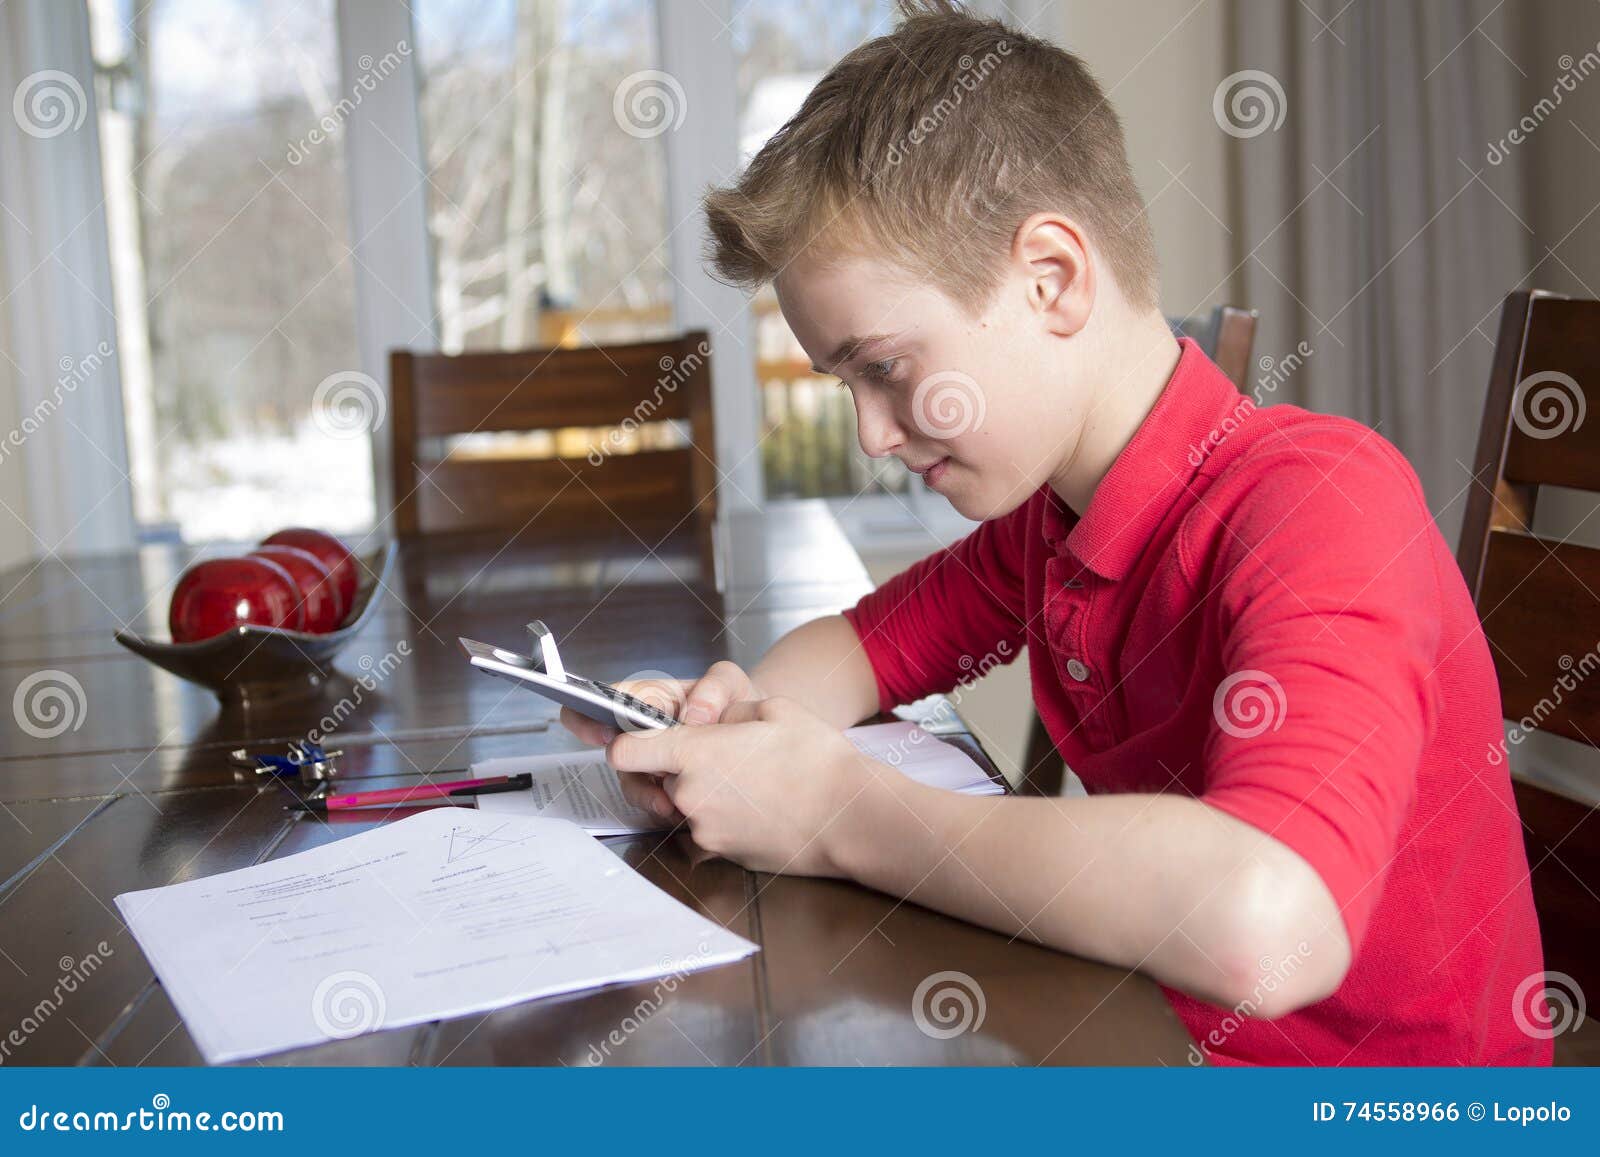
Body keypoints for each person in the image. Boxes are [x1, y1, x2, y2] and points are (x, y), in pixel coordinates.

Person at [561, 0, 1547, 1065]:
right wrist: (729, 732)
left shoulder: (1321, 499)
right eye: (845, 383)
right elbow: (854, 648)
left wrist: (837, 811)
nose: (872, 433)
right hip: (1148, 1037)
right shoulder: (1050, 521)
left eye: (884, 368)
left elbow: (1274, 917)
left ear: (1052, 280)